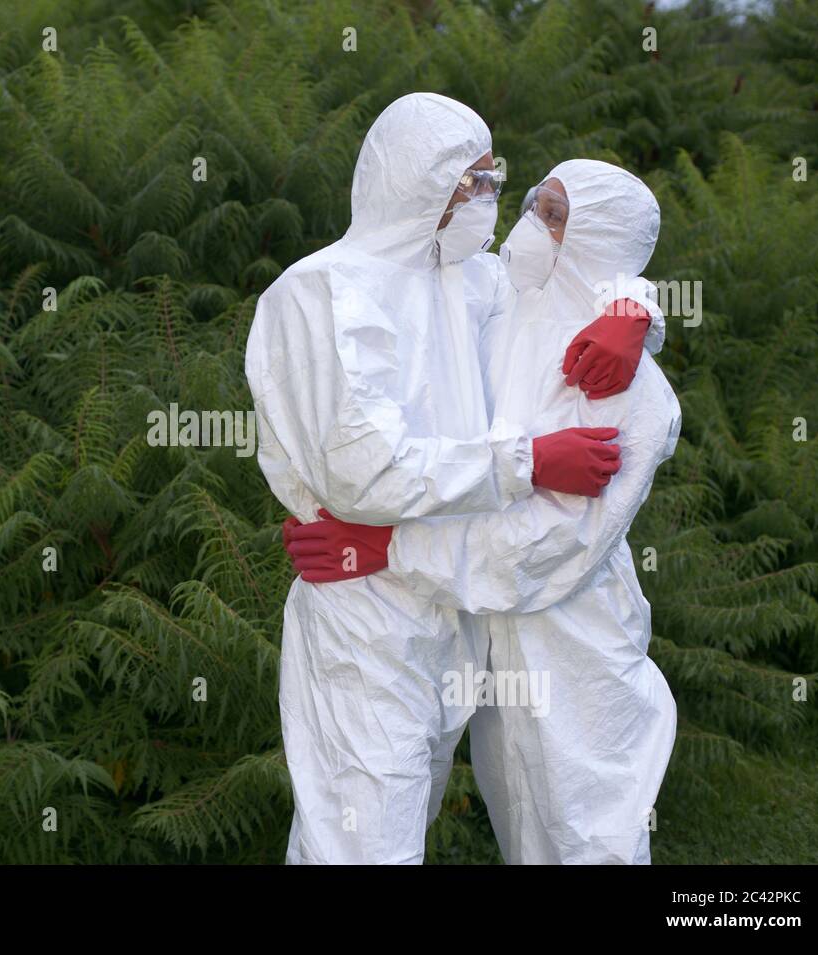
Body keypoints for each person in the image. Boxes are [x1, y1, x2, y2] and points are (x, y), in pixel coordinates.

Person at [244, 92, 662, 864]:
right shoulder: (321, 293)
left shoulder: (470, 283)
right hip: (364, 607)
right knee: (363, 842)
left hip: (461, 609)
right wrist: (531, 461)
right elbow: (365, 468)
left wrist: (632, 307)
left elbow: (580, 271)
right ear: (415, 180)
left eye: (492, 178)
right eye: (471, 180)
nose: (492, 199)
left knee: (413, 810)